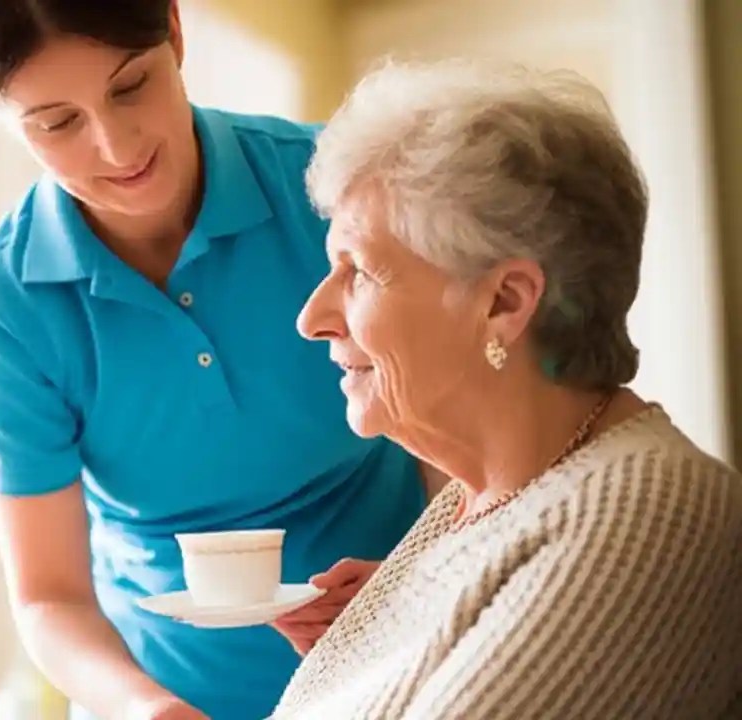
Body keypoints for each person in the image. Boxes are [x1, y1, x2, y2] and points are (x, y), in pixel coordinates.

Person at [0, 2, 436, 717]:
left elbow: (467, 451)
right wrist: (151, 711)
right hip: (167, 694)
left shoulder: (331, 187)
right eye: (58, 123)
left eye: (129, 86)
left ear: (174, 29)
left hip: (403, 671)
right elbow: (49, 598)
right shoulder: (6, 308)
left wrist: (419, 581)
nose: (116, 147)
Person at [270, 58, 742, 718]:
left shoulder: (646, 511)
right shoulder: (480, 504)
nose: (312, 318)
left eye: (360, 273)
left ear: (505, 302)